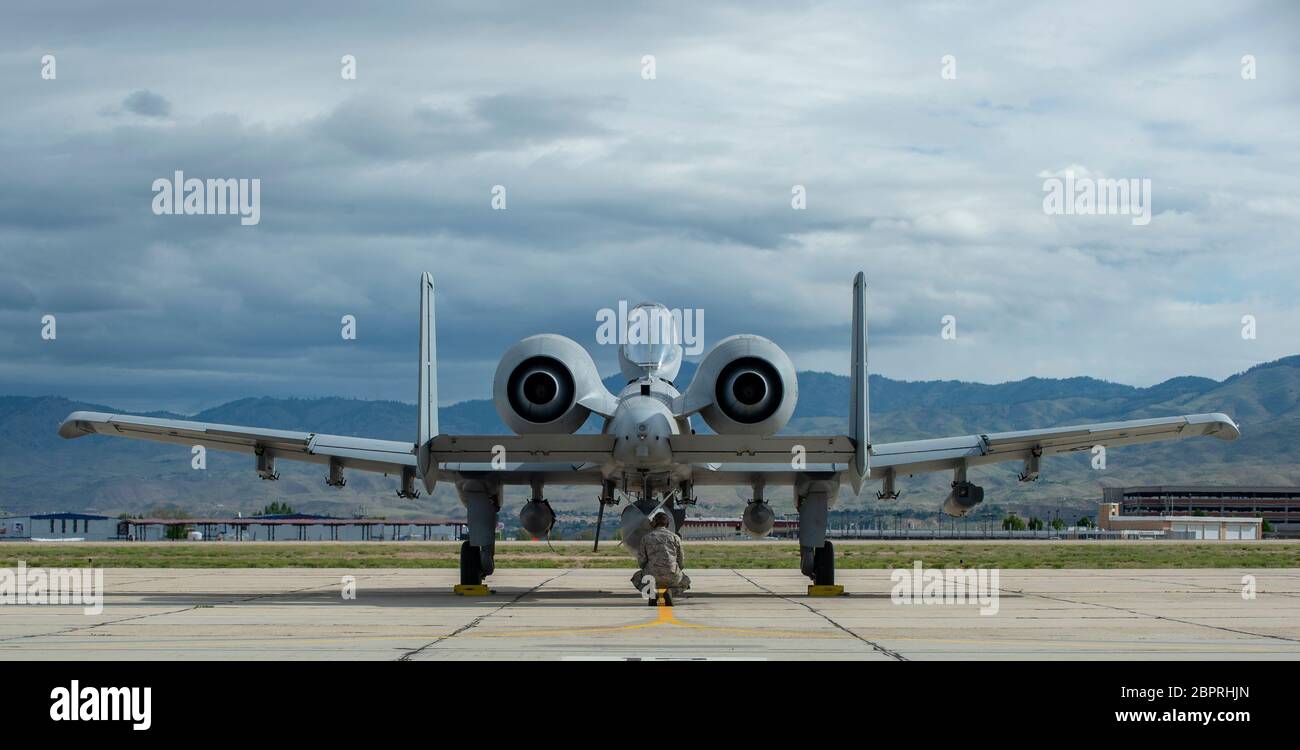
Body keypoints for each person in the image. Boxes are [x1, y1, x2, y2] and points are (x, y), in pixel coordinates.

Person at [631, 510, 691, 600]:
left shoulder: (646, 538)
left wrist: (648, 568)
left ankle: (652, 594)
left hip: (651, 576)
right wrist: (676, 569)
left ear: (654, 523)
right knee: (686, 581)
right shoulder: (675, 537)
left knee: (636, 578)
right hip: (672, 576)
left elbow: (642, 561)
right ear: (667, 524)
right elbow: (681, 560)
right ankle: (670, 592)